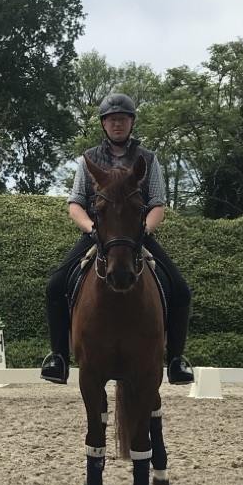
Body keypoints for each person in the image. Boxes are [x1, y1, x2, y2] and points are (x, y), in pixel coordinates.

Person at [40, 92, 195, 387]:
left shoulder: (147, 158)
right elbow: (75, 202)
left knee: (180, 289)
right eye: (111, 120)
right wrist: (91, 229)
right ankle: (58, 357)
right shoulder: (89, 159)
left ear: (131, 122)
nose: (117, 124)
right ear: (104, 124)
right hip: (99, 234)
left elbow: (158, 203)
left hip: (137, 235)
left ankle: (176, 359)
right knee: (55, 286)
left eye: (122, 119)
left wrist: (144, 232)